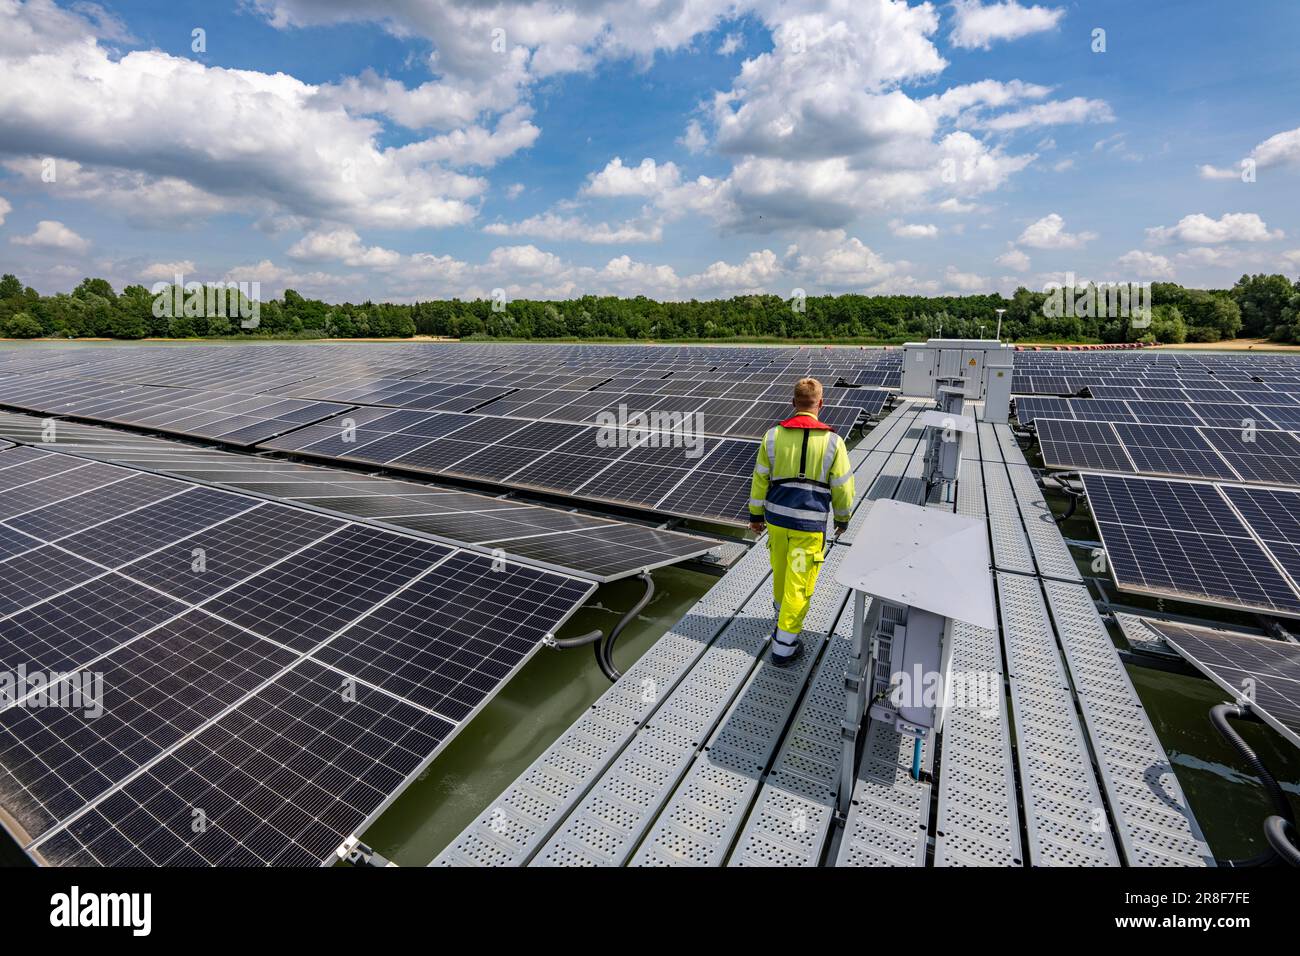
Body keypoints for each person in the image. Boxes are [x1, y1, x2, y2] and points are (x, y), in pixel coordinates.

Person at [747, 377, 854, 665]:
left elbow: (760, 479)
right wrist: (842, 519)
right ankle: (784, 646)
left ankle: (781, 620)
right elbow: (842, 487)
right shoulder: (834, 441)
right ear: (821, 403)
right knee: (799, 583)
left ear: (793, 403)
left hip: (777, 523)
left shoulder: (771, 436)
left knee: (781, 575)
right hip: (807, 528)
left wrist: (756, 517)